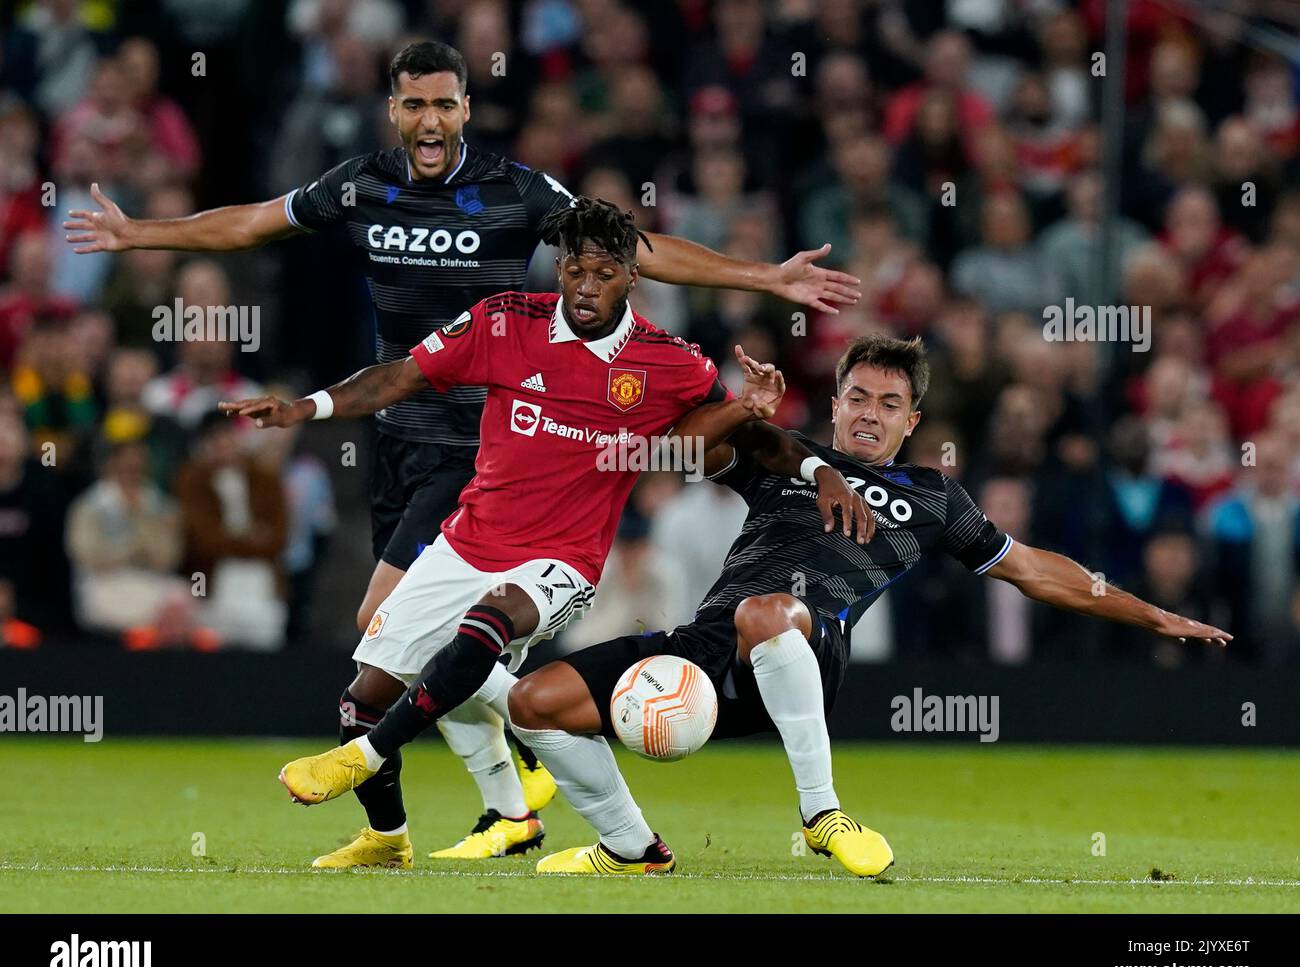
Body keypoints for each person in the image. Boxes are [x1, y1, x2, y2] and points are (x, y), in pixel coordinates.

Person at [65, 39, 862, 850]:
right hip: (400, 435)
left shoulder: (516, 191)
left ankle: (498, 786)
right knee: (387, 653)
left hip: (484, 446)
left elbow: (630, 248)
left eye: (445, 103)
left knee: (394, 623)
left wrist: (764, 277)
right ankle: (494, 802)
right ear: (394, 111)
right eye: (415, 104)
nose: (431, 119)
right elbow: (253, 224)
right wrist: (141, 235)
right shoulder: (362, 183)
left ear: (467, 110)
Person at [222, 198, 872, 869]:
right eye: (573, 270)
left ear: (631, 277)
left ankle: (368, 756)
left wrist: (818, 464)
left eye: (603, 273)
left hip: (562, 559)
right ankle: (388, 839)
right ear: (558, 268)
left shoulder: (668, 361)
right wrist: (305, 407)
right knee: (362, 696)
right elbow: (400, 377)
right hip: (467, 540)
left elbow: (734, 440)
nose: (585, 286)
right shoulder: (504, 322)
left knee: (487, 626)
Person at [499, 333, 1231, 876]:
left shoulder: (936, 498)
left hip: (808, 647)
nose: (870, 415)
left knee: (767, 610)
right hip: (705, 649)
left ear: (912, 421)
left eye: (889, 404)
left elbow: (1037, 571)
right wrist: (739, 413)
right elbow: (668, 452)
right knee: (532, 701)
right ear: (835, 403)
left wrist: (1154, 613)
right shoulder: (782, 455)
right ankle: (632, 848)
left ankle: (821, 814)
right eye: (857, 398)